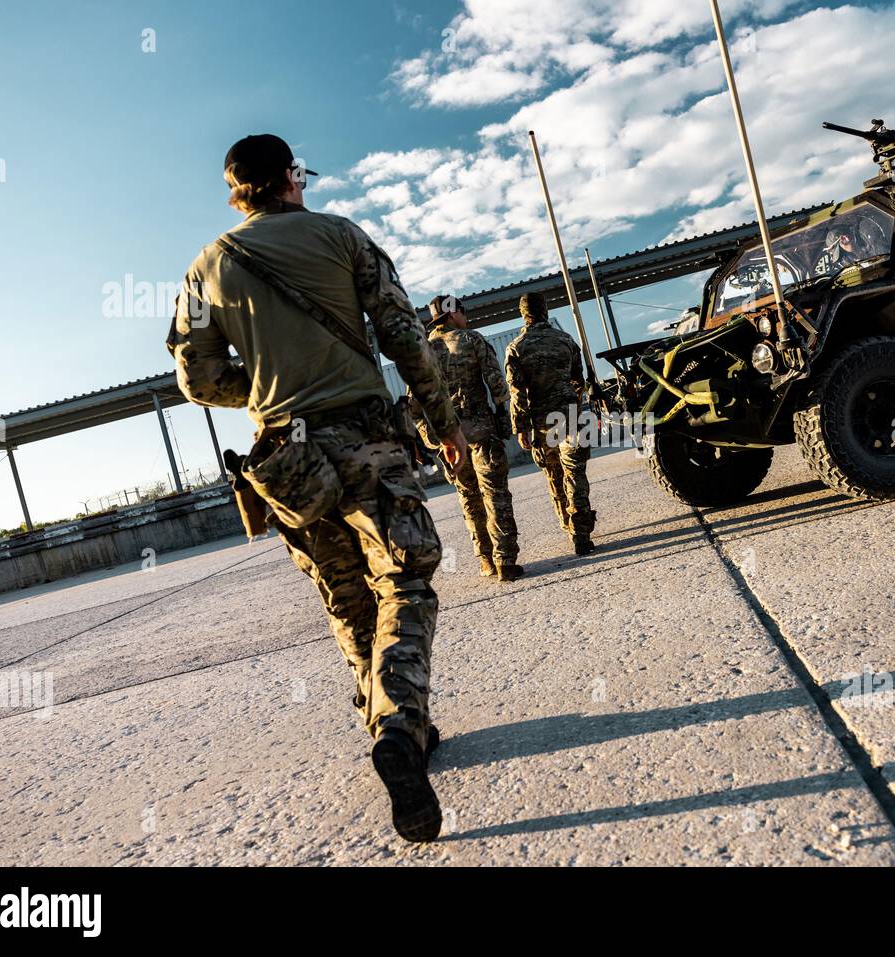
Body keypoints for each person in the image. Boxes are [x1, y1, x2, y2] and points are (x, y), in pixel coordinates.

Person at [167, 133, 466, 844]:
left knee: (347, 593)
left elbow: (195, 376)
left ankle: (398, 734)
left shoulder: (207, 266)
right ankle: (400, 722)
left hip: (284, 458)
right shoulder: (341, 236)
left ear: (236, 190)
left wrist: (265, 389)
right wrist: (443, 420)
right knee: (406, 582)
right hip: (363, 435)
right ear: (293, 178)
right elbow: (403, 336)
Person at [411, 295, 522, 582]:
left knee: (469, 499)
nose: (466, 315)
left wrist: (433, 438)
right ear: (452, 313)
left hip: (449, 441)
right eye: (463, 310)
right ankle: (505, 561)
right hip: (481, 432)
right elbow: (496, 383)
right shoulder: (472, 339)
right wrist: (502, 418)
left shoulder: (420, 351)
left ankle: (485, 560)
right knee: (494, 494)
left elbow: (412, 405)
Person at [504, 293, 596, 555]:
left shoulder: (516, 347)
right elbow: (580, 381)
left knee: (554, 476)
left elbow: (517, 391)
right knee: (575, 474)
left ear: (523, 314)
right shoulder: (566, 340)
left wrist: (520, 427)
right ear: (545, 310)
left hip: (542, 423)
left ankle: (568, 526)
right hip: (570, 417)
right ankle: (581, 535)